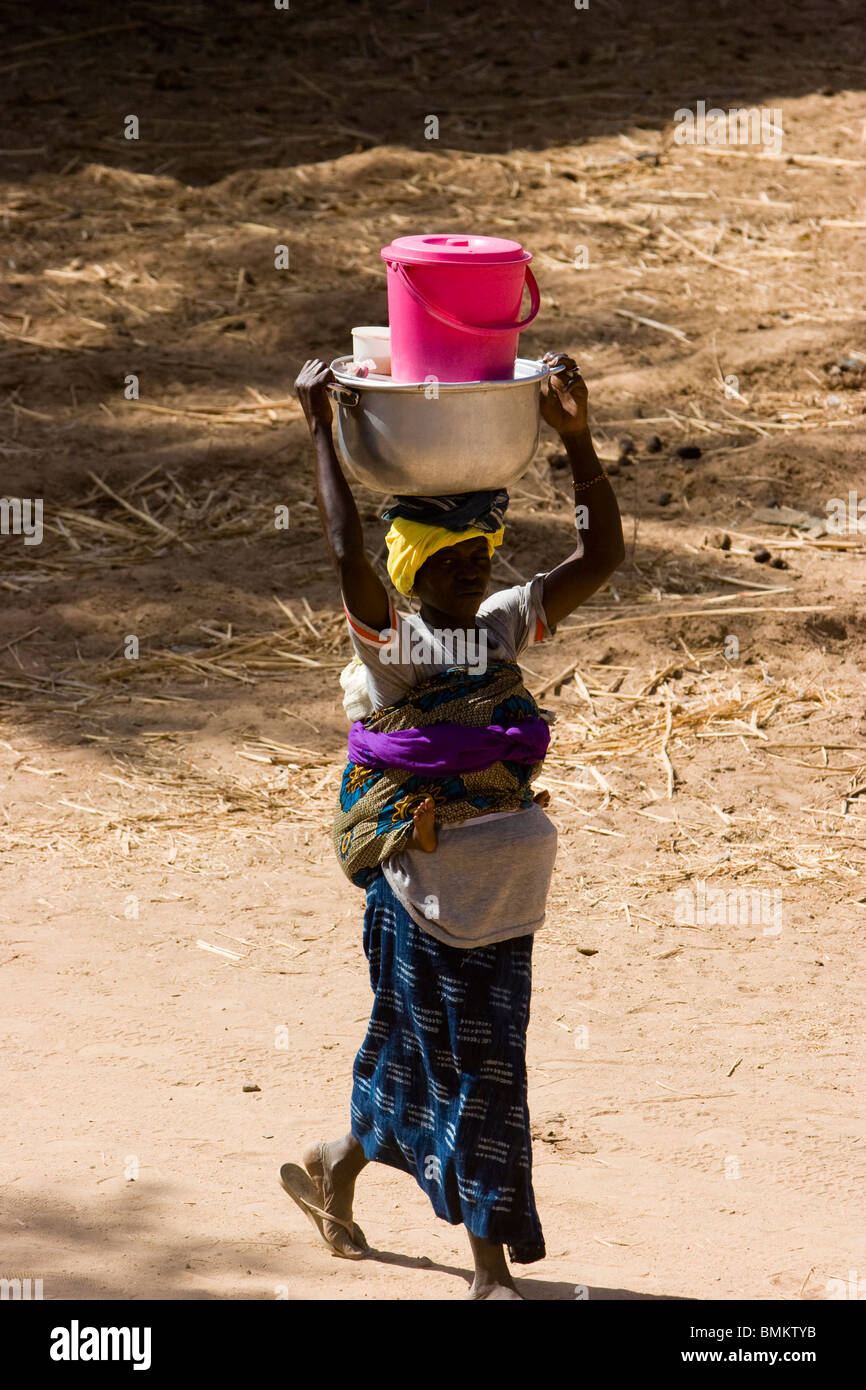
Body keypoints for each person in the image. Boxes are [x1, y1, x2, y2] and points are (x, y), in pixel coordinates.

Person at [280, 350, 625, 1299]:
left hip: (501, 904)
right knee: (480, 1079)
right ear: (417, 568)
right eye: (456, 557)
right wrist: (319, 428)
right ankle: (489, 1272)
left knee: (420, 1055)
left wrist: (577, 439)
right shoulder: (395, 645)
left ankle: (331, 1166)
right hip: (423, 899)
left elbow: (603, 558)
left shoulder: (505, 625)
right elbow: (347, 553)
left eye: (485, 552)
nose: (479, 566)